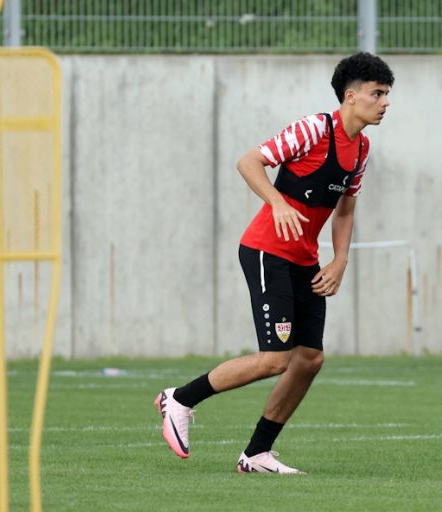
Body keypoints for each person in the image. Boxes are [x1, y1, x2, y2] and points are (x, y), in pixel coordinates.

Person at [155, 52, 393, 474]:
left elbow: (345, 210)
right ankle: (180, 398)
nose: (385, 102)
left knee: (309, 359)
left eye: (387, 94)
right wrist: (277, 202)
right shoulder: (313, 129)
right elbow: (249, 162)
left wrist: (340, 261)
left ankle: (256, 454)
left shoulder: (361, 150)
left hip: (305, 260)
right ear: (351, 96)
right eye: (377, 93)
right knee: (274, 358)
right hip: (267, 251)